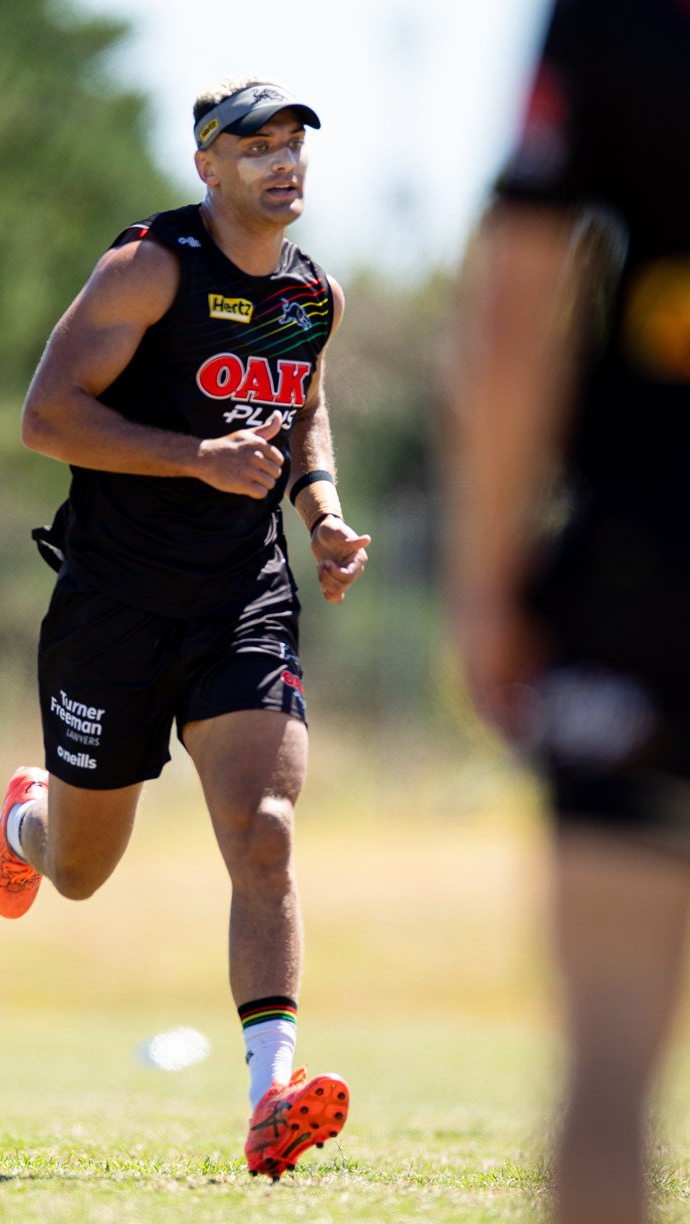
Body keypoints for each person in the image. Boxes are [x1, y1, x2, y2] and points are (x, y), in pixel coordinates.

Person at [0, 77, 368, 1181]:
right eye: (255, 148)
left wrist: (323, 512)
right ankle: (28, 822)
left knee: (269, 831)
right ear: (208, 166)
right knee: (81, 870)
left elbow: (300, 407)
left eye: (294, 144)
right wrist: (194, 458)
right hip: (113, 603)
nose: (282, 163)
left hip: (240, 599)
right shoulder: (151, 267)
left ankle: (271, 1097)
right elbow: (45, 416)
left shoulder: (312, 297)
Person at [446, 3, 690, 1222]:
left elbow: (509, 323)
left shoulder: (616, 16)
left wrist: (491, 589)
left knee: (609, 1061)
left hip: (654, 564)